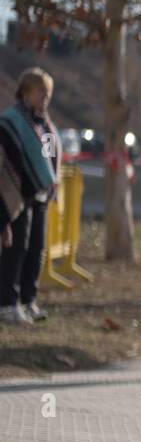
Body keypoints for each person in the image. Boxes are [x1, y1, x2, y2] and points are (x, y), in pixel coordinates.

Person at [0, 67, 60, 325]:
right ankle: (7, 303)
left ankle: (27, 299)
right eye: (41, 92)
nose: (45, 98)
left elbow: (48, 157)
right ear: (26, 91)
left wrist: (50, 182)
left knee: (36, 249)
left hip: (40, 197)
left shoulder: (44, 123)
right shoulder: (11, 121)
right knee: (17, 250)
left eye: (48, 93)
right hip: (18, 194)